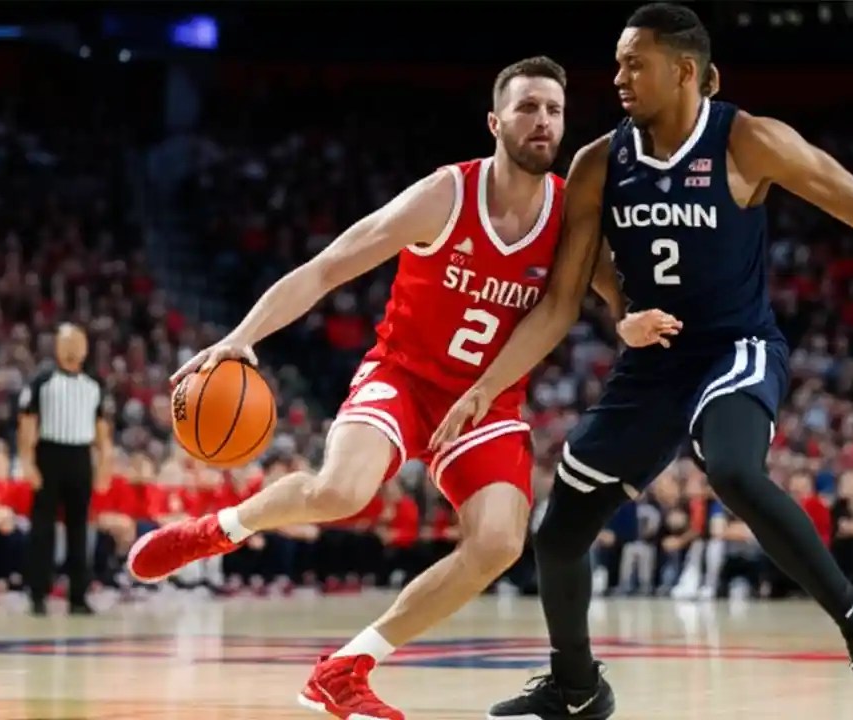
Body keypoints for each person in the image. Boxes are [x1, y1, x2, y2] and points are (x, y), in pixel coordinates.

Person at [432, 5, 853, 719]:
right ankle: (577, 689)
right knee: (558, 537)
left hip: (735, 348)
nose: (618, 78)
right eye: (617, 63)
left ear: (684, 71)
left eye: (634, 63)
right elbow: (558, 303)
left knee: (733, 468)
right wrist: (489, 384)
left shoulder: (748, 140)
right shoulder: (599, 163)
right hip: (653, 366)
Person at [127, 56, 624, 720]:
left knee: (501, 543)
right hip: (404, 377)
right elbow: (328, 266)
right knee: (341, 491)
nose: (543, 121)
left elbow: (612, 293)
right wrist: (242, 337)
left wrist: (645, 316)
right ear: (494, 121)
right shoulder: (445, 196)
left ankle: (346, 667)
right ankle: (221, 529)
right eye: (528, 107)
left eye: (554, 110)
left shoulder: (568, 214)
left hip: (486, 399)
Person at [17, 323, 112, 616]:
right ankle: (38, 593)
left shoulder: (94, 383)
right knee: (42, 527)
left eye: (78, 343)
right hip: (49, 453)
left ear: (85, 348)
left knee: (79, 528)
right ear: (57, 346)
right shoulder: (42, 380)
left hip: (80, 455)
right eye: (67, 343)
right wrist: (28, 462)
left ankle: (78, 596)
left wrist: (104, 464)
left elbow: (102, 429)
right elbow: (27, 423)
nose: (72, 348)